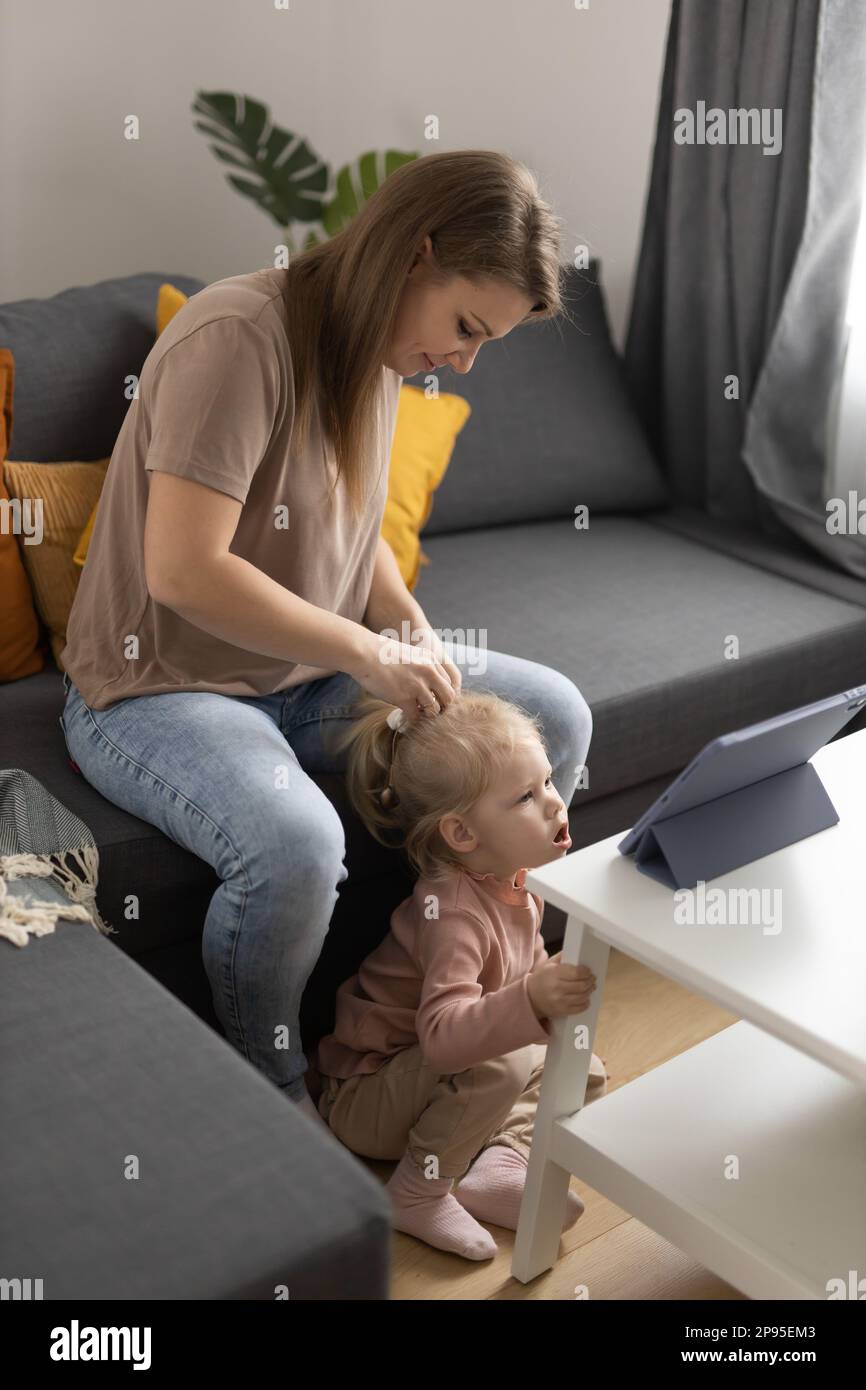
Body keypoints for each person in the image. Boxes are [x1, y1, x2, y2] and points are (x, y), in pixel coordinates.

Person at [58, 149, 593, 1122]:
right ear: (410, 255)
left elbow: (352, 537)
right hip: (162, 684)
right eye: (465, 327)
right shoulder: (238, 335)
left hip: (311, 671)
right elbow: (184, 570)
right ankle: (272, 1094)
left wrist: (411, 634)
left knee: (550, 714)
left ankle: (454, 1004)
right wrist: (364, 653)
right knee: (296, 848)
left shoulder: (382, 350)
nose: (463, 360)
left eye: (486, 344)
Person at [315, 688, 607, 1261]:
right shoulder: (450, 912)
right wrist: (531, 997)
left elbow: (517, 982)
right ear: (462, 834)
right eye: (526, 796)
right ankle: (418, 1190)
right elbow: (446, 1040)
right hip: (367, 1099)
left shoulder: (514, 879)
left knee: (582, 1065)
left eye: (548, 782)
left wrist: (544, 994)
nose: (554, 803)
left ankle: (499, 1166)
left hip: (433, 1089)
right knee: (498, 1061)